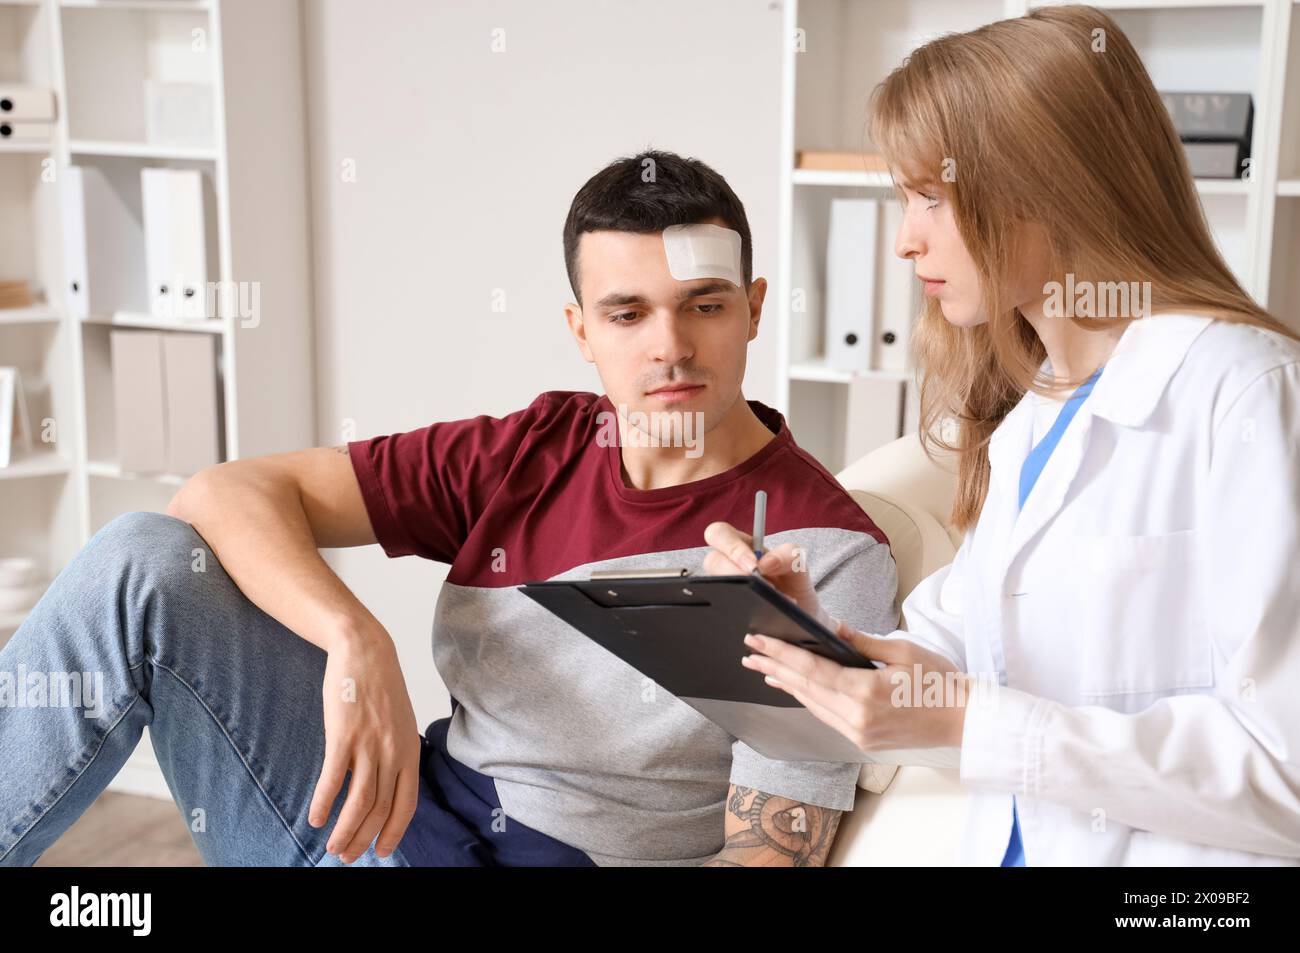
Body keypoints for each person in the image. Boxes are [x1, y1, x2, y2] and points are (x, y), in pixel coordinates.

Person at [0, 150, 897, 867]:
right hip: (376, 824)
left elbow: (770, 854)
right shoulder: (535, 447)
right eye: (628, 315)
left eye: (703, 305)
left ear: (752, 310)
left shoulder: (820, 554)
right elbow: (223, 492)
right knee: (143, 560)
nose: (671, 347)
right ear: (581, 330)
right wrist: (356, 639)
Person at [705, 4, 1300, 866]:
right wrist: (818, 637)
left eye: (929, 198)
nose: (906, 241)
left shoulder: (1245, 393)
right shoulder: (1034, 423)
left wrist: (972, 718)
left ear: (1046, 186)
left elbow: (1286, 772)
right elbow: (965, 672)